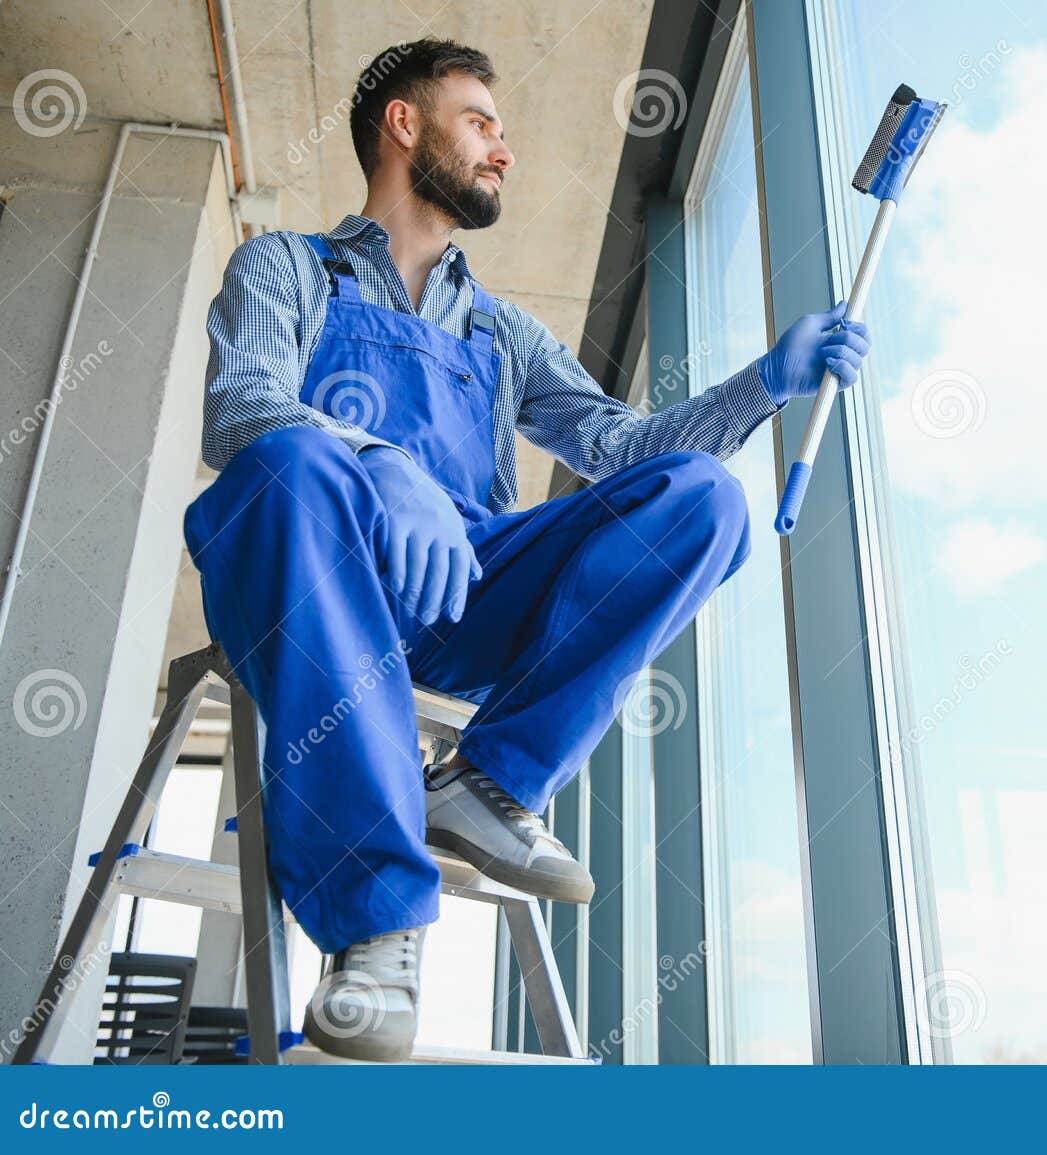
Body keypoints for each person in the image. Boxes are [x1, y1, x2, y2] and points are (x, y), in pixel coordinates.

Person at [183, 36, 870, 1061]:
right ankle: (375, 928)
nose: (503, 150)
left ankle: (489, 784)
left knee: (701, 498)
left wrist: (766, 380)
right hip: (308, 579)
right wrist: (379, 461)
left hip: (459, 594)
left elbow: (622, 450)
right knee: (292, 462)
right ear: (403, 124)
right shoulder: (286, 266)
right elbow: (242, 405)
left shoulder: (499, 333)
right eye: (480, 124)